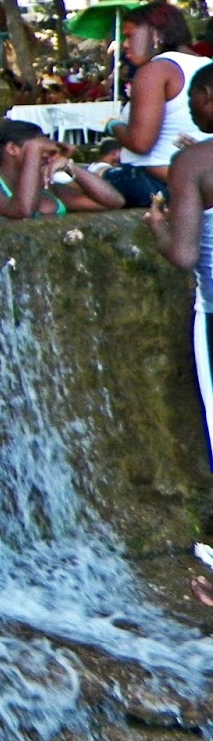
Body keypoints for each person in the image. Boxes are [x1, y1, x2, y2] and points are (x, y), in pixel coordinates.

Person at [142, 63, 213, 473]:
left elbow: (183, 256)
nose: (190, 109)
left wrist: (158, 226)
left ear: (208, 96)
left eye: (191, 100)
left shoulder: (194, 162)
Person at [103, 3, 212, 206]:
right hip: (203, 180)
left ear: (156, 34)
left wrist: (113, 126)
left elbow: (140, 143)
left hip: (154, 181)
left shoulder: (156, 70)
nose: (124, 44)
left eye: (130, 35)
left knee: (72, 180)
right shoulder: (207, 65)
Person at [0, 120, 124, 217]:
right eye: (40, 149)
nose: (46, 155)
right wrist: (34, 148)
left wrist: (69, 165)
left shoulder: (49, 189)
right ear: (12, 149)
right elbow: (24, 211)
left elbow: (113, 201)